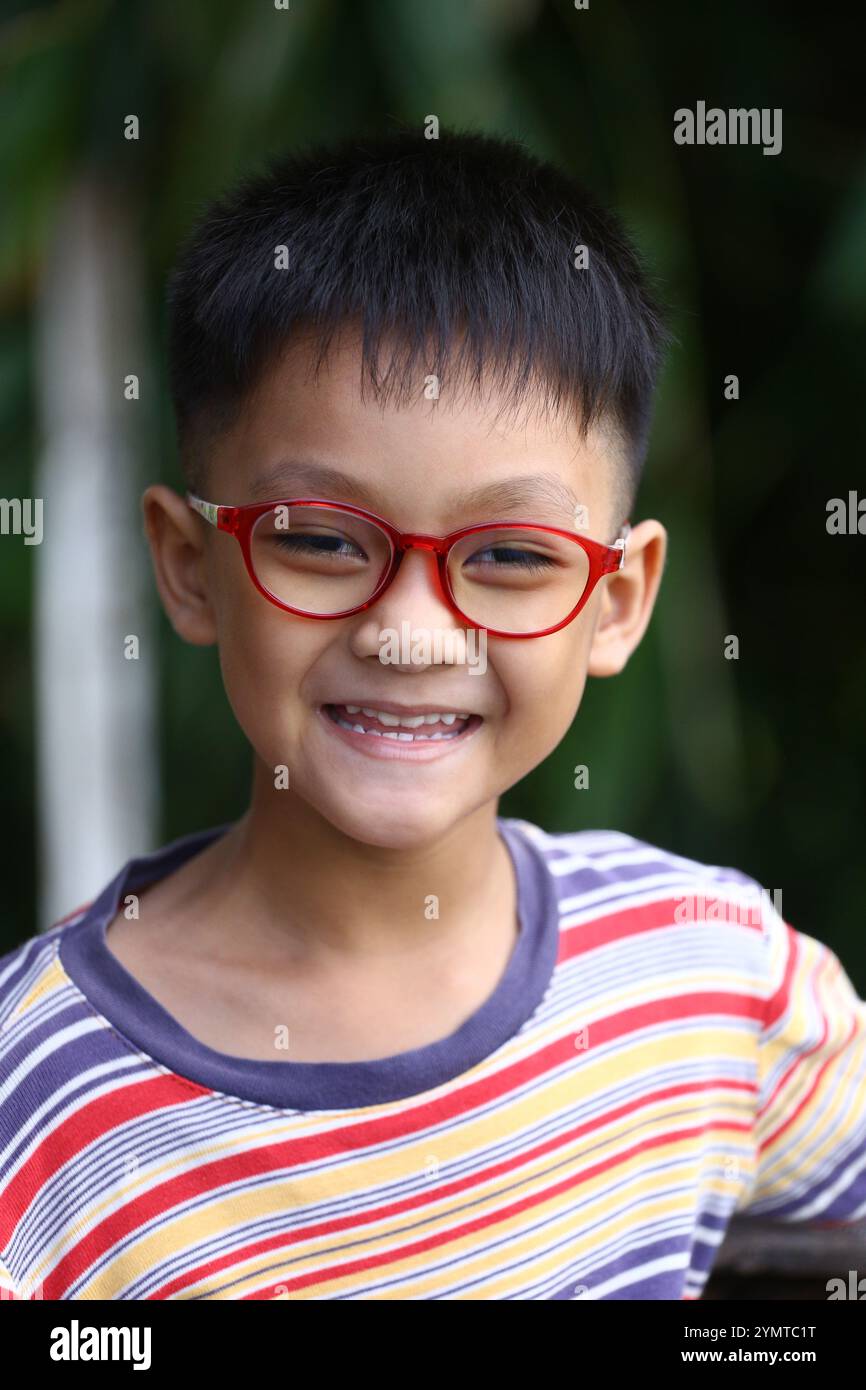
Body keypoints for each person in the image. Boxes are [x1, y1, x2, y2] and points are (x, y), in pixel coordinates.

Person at [1, 129, 863, 1301]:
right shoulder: (39, 1098)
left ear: (613, 604)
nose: (410, 631)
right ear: (191, 565)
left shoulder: (712, 976)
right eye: (318, 539)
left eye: (509, 554)